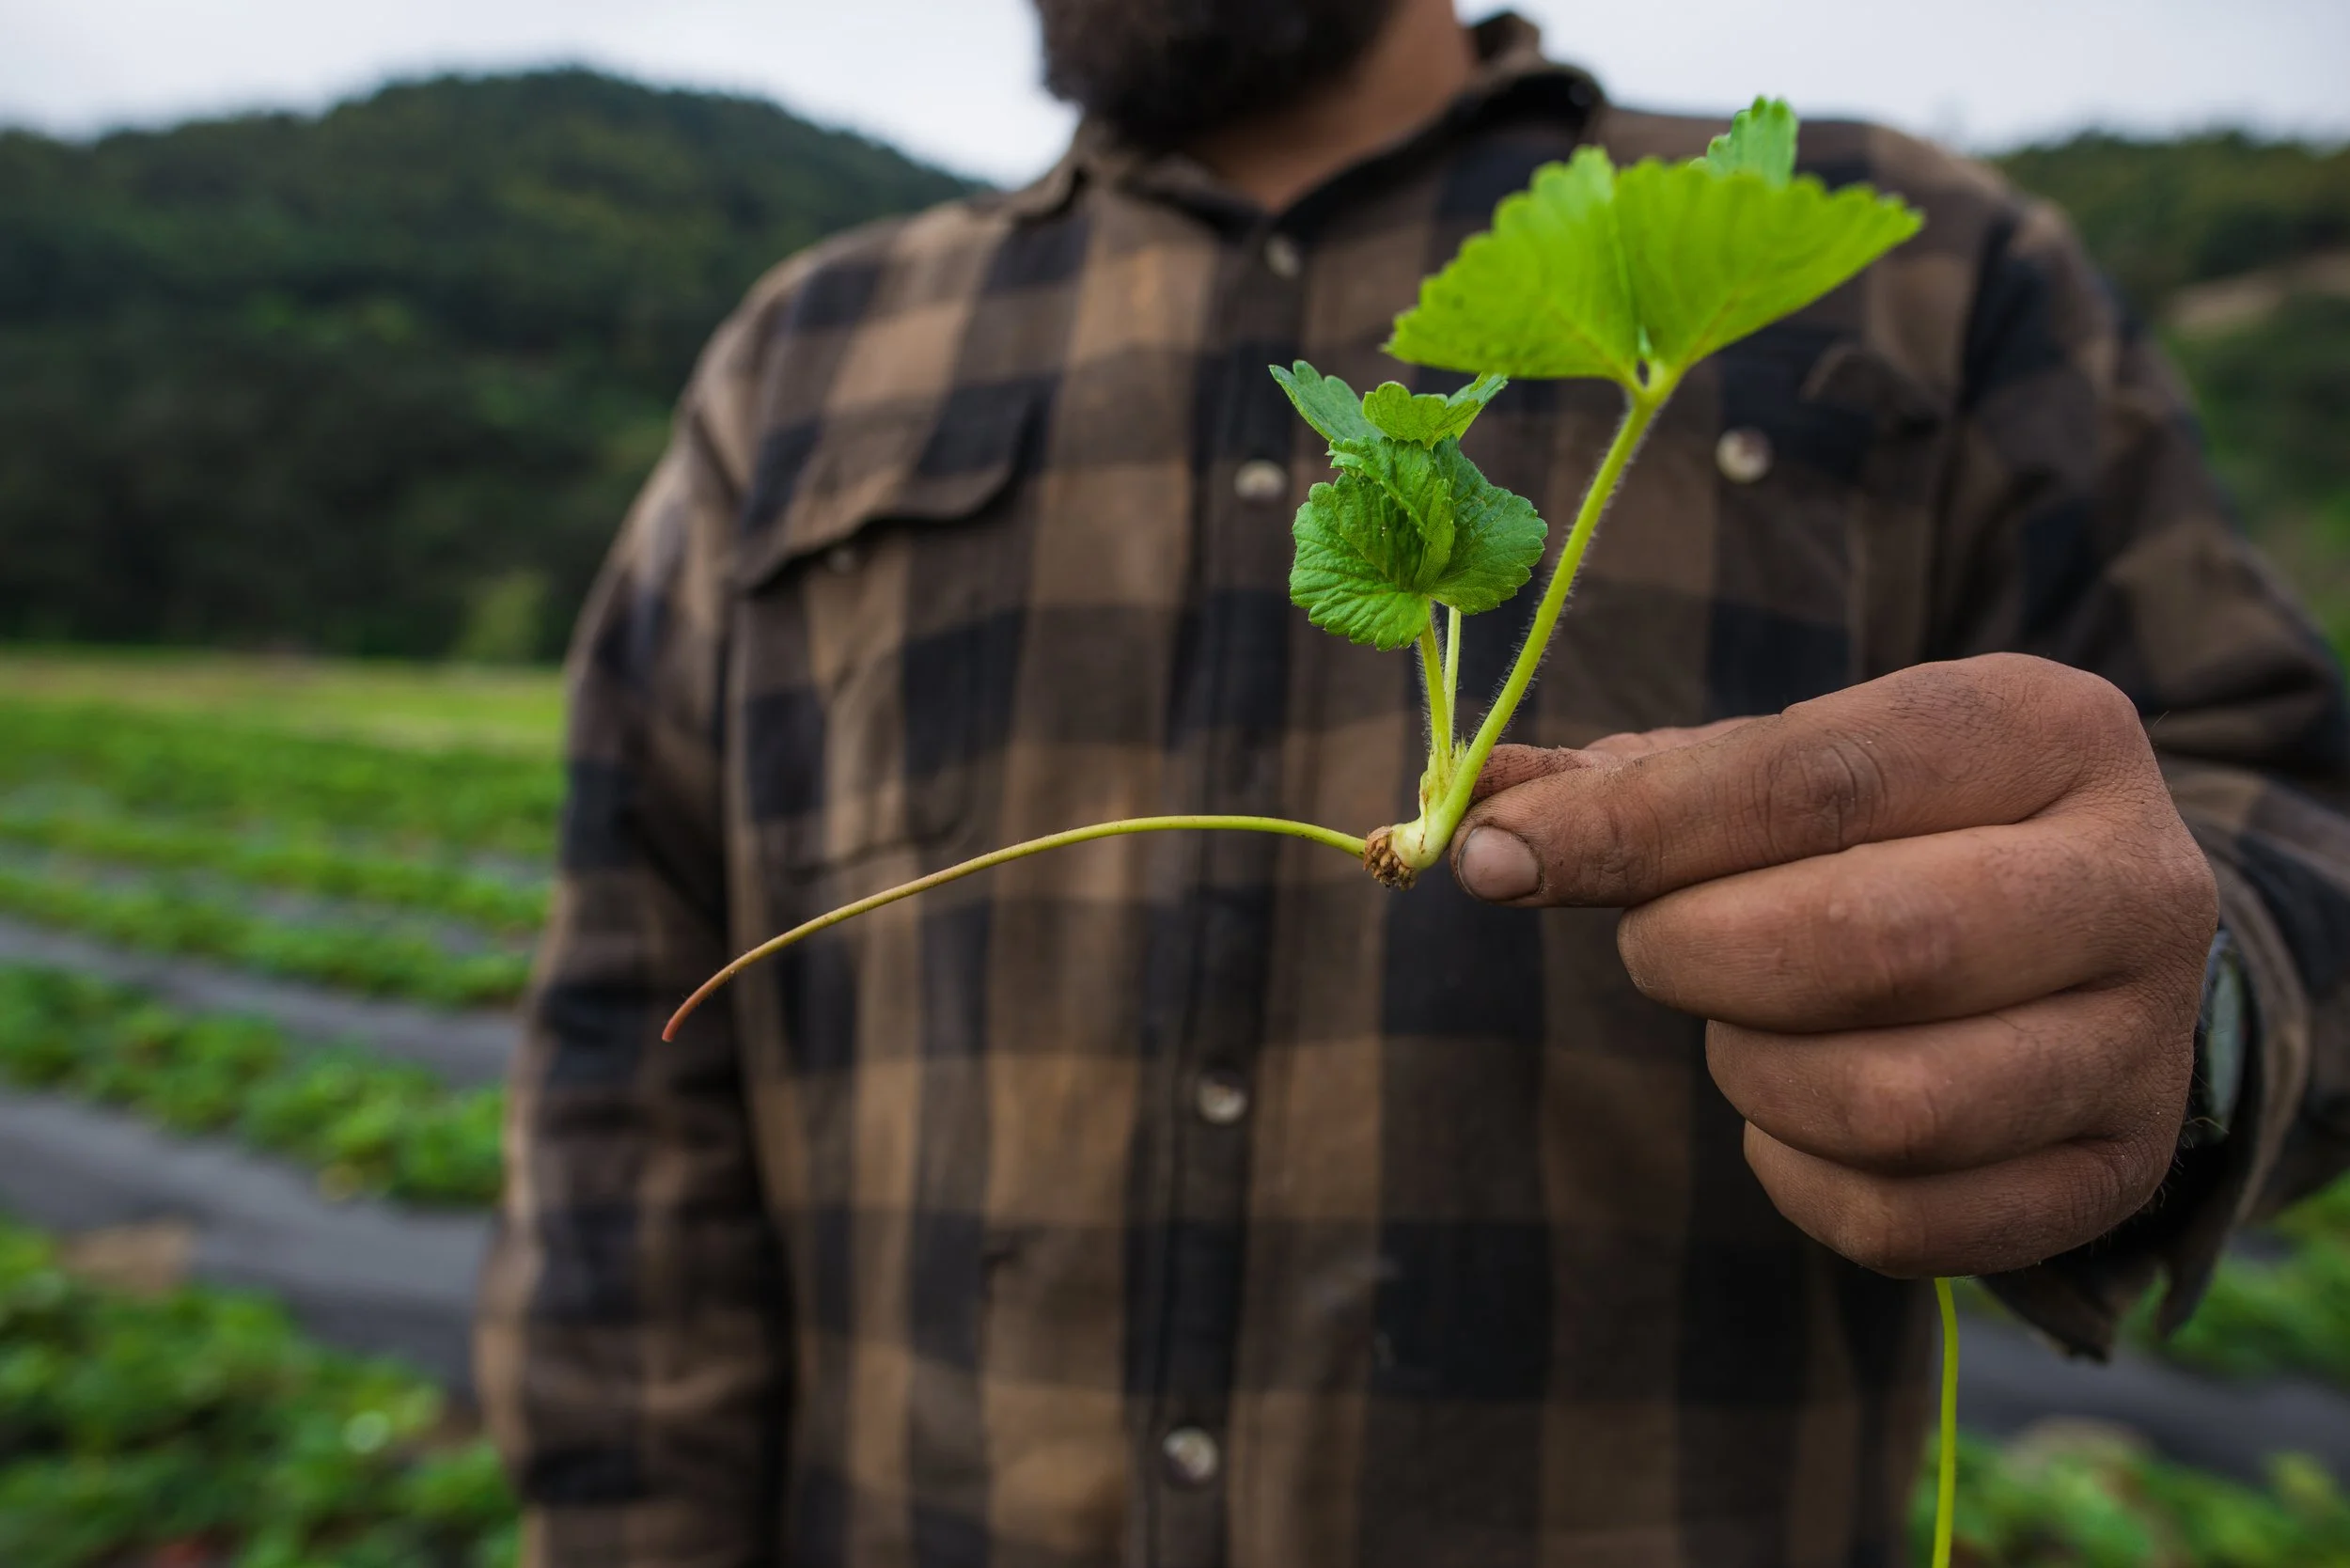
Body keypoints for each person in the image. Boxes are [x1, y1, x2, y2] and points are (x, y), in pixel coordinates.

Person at [475, 1, 2350, 1562]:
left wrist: (2182, 1003)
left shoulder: (1933, 269)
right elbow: (625, 1045)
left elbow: (2290, 811)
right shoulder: (800, 358)